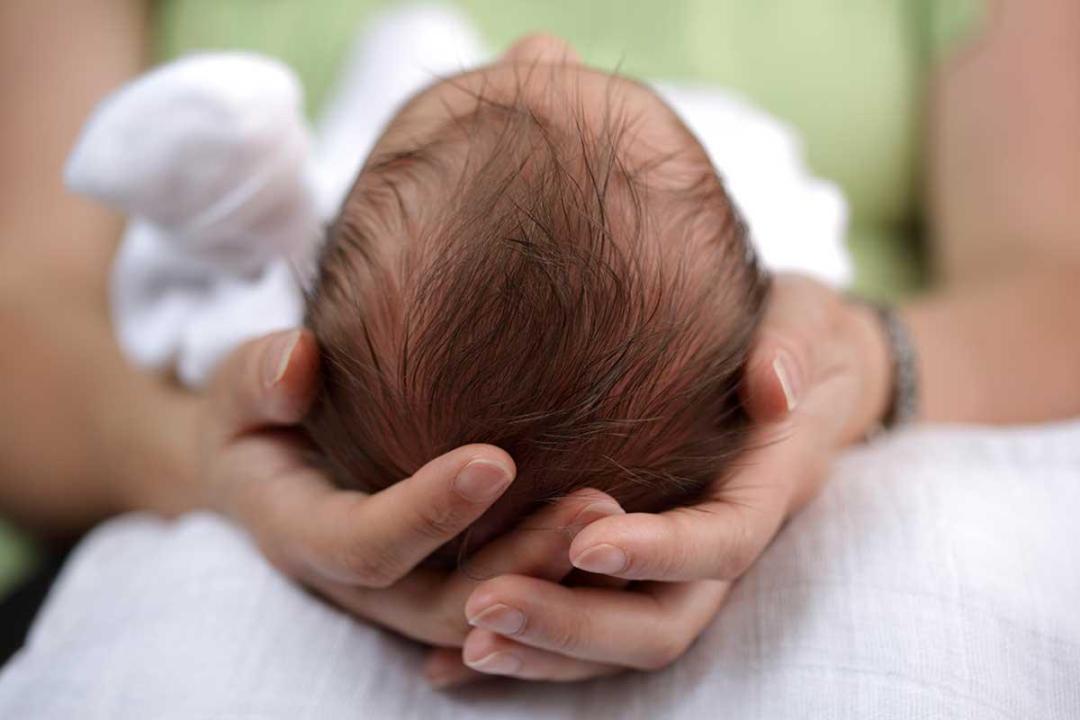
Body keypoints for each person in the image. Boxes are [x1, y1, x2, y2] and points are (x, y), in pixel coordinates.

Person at [1, 0, 1078, 688]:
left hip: (864, 462)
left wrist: (870, 362)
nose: (539, 43)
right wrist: (198, 454)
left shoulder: (263, 252)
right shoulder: (781, 212)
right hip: (169, 502)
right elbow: (21, 309)